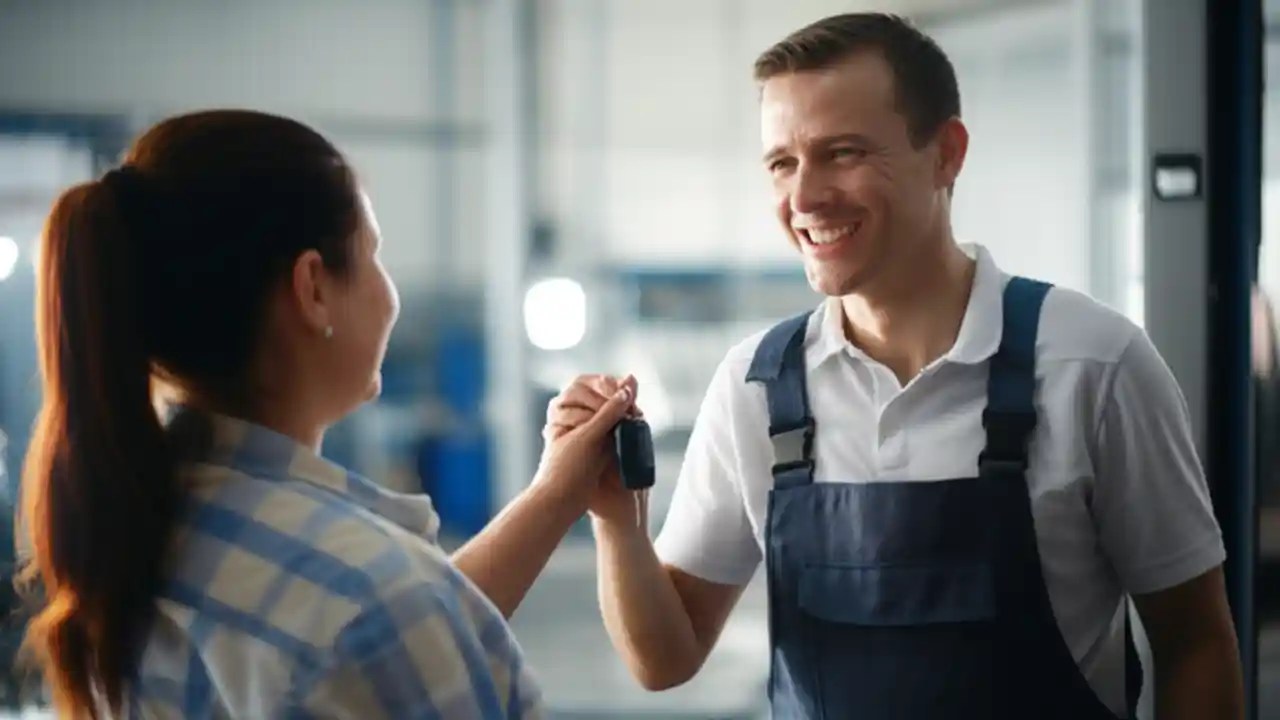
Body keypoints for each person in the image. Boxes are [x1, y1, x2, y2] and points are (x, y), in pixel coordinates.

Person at [549, 12, 1245, 720]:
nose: (804, 197)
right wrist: (617, 522)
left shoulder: (1095, 365)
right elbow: (665, 658)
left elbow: (1195, 644)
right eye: (782, 163)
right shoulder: (755, 387)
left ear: (946, 154)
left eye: (843, 152)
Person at [18, 109, 636, 719]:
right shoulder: (373, 599)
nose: (388, 292)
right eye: (373, 255)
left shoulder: (141, 529)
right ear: (313, 288)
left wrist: (556, 493)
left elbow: (396, 640)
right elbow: (390, 631)